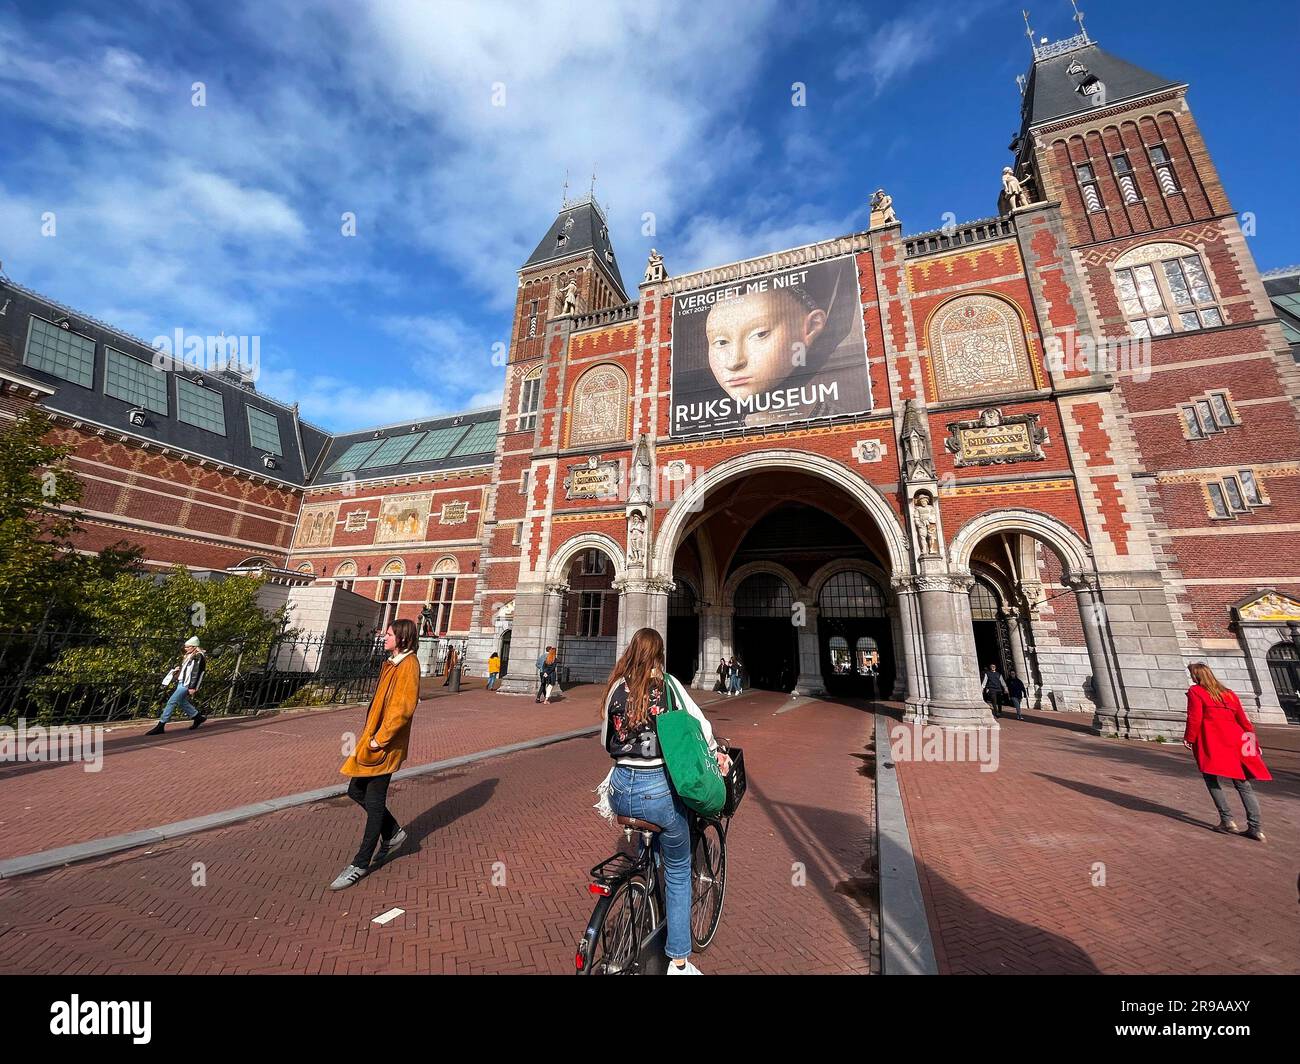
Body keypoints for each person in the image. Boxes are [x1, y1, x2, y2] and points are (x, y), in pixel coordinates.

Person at [600, 628, 730, 975]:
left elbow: (605, 741)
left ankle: (640, 880)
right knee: (677, 869)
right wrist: (717, 754)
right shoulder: (668, 686)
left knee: (650, 838)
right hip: (655, 789)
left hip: (617, 789)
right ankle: (679, 961)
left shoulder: (616, 687)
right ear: (659, 654)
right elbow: (698, 727)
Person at [330, 619, 421, 890]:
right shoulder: (394, 663)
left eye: (389, 634)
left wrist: (379, 740)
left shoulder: (408, 666)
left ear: (402, 639)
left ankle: (360, 863)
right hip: (374, 740)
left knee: (374, 800)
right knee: (356, 790)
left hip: (384, 746)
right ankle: (393, 833)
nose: (384, 637)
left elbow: (403, 709)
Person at [1183, 662, 1271, 842]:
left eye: (1192, 674)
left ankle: (1227, 819)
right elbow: (1244, 721)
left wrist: (1189, 738)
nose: (1191, 677)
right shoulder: (1229, 693)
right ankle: (1256, 827)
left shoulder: (1196, 692)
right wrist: (1252, 743)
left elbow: (1195, 717)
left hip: (1213, 740)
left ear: (1196, 676)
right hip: (1237, 740)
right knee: (1243, 784)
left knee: (1211, 778)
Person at [147, 636, 208, 735]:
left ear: (194, 647)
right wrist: (178, 670)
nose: (185, 649)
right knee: (181, 702)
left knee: (171, 702)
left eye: (187, 647)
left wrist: (192, 687)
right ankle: (197, 717)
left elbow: (196, 672)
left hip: (186, 684)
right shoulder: (190, 656)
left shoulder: (198, 656)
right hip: (182, 682)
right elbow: (188, 670)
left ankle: (161, 725)